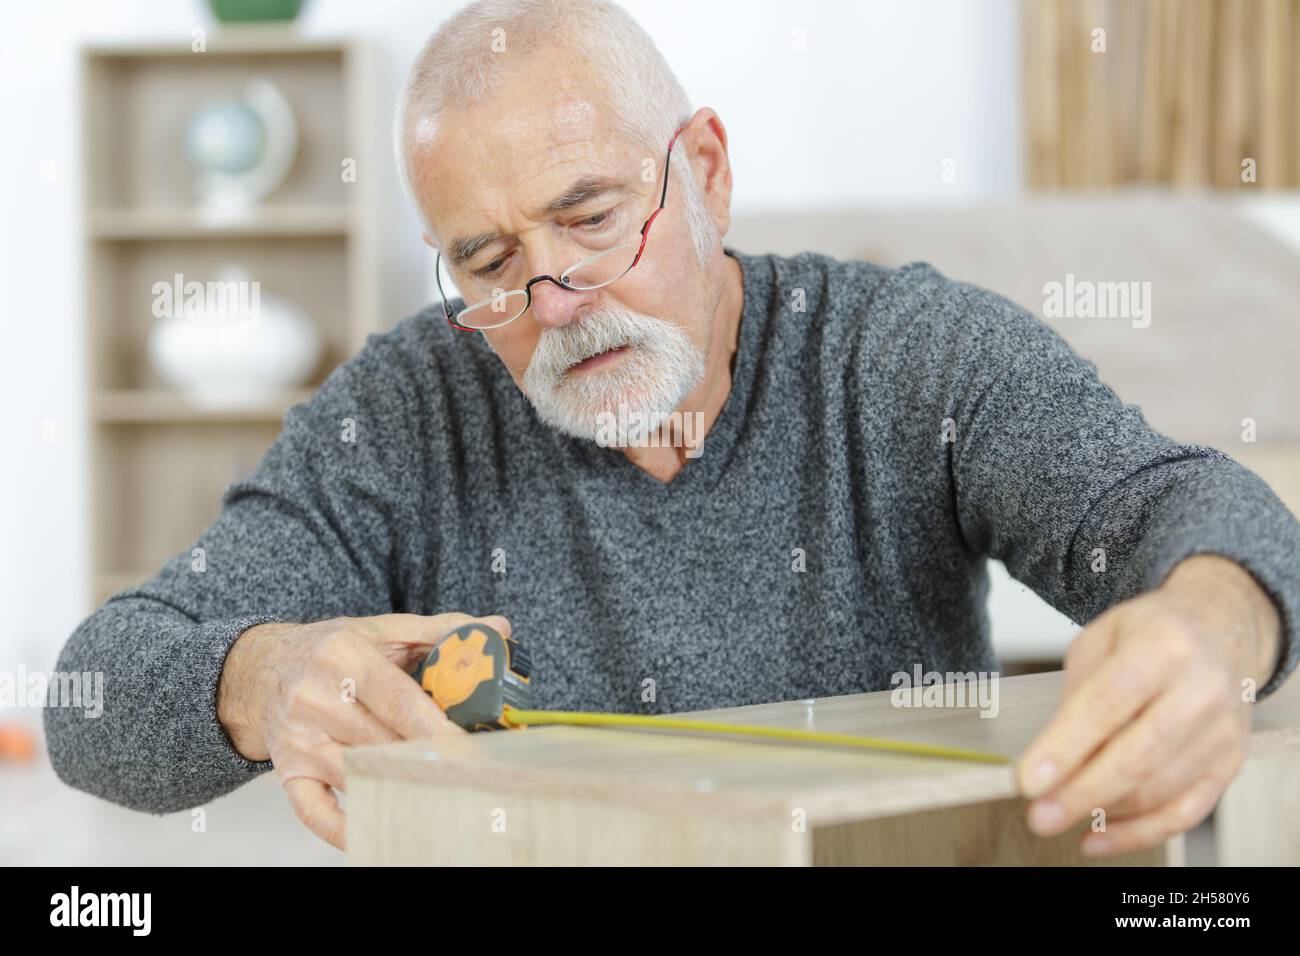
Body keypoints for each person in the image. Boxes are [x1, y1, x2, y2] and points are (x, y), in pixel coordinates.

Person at [46, 0, 1298, 856]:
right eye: (488, 261)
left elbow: (1183, 510)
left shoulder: (908, 352)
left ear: (705, 169)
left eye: (593, 218)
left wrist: (1213, 620)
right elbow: (93, 693)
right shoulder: (408, 405)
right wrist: (257, 679)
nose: (554, 299)